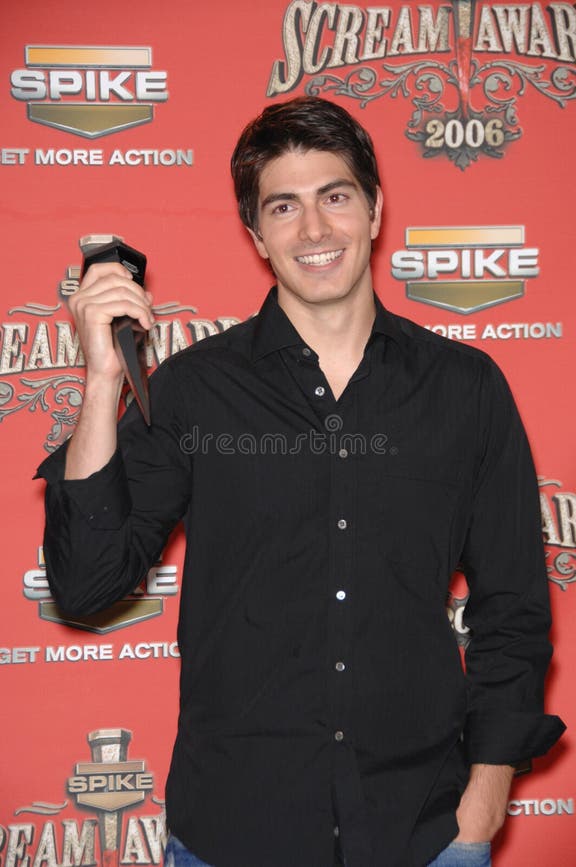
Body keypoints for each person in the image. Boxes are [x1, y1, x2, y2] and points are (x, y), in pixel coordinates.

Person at [38, 97, 565, 867]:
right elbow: (86, 584)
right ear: (256, 234)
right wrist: (99, 382)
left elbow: (514, 607)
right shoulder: (194, 391)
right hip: (235, 833)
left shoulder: (466, 388)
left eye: (336, 196)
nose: (314, 231)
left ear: (376, 209)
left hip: (424, 833)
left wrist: (484, 800)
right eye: (285, 207)